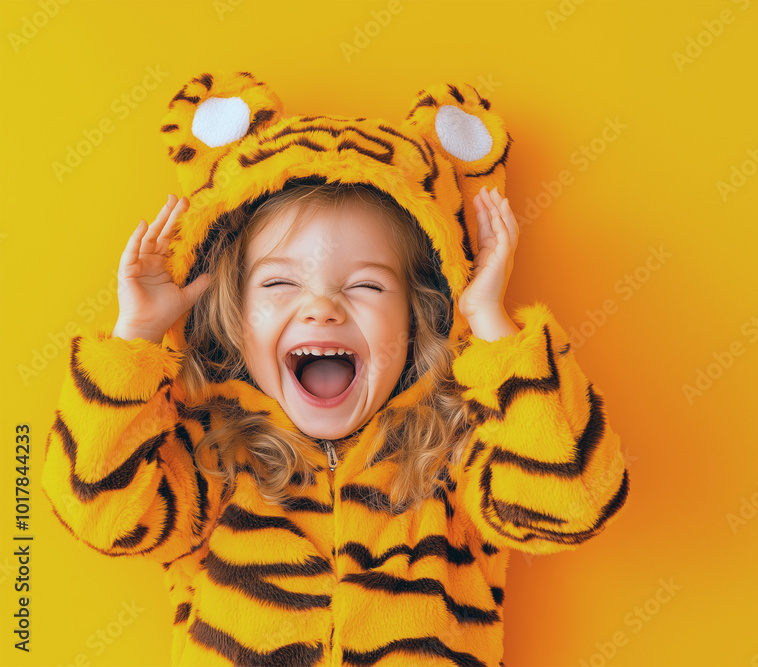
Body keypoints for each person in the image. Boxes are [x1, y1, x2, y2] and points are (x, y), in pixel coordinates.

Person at [42, 70, 630, 667]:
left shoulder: (455, 451)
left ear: (417, 315)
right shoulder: (213, 452)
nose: (322, 307)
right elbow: (99, 511)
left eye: (367, 284)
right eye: (279, 282)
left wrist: (489, 321)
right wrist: (135, 337)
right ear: (236, 316)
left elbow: (572, 504)